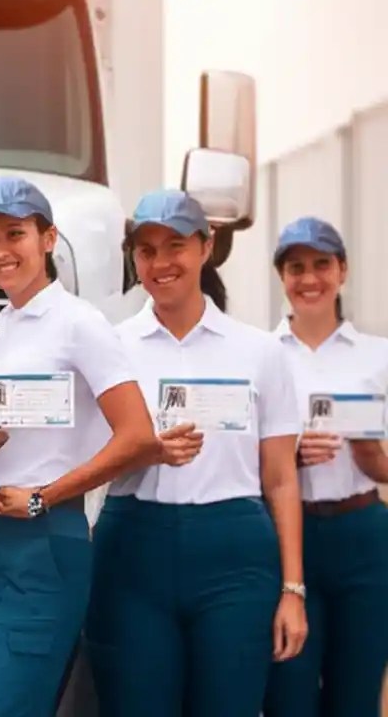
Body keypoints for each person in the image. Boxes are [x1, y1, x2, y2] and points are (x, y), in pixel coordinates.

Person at [0, 176, 158, 717]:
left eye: (15, 234)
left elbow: (138, 436)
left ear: (49, 239)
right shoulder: (4, 325)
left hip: (39, 540)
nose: (0, 251)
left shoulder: (80, 324)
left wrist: (45, 496)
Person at [84, 190, 308, 717]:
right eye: (146, 250)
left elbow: (280, 478)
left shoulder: (260, 352)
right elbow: (88, 456)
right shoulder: (108, 348)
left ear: (207, 248)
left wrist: (293, 588)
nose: (161, 263)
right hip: (134, 549)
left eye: (176, 246)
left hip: (234, 554)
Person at [262, 217, 388, 717]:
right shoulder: (261, 353)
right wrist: (286, 455)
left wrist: (372, 457)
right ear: (281, 276)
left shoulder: (378, 356)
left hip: (364, 536)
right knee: (288, 693)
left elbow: (385, 468)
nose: (309, 279)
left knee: (356, 696)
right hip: (287, 539)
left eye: (321, 265)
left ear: (343, 271)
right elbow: (235, 459)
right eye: (296, 268)